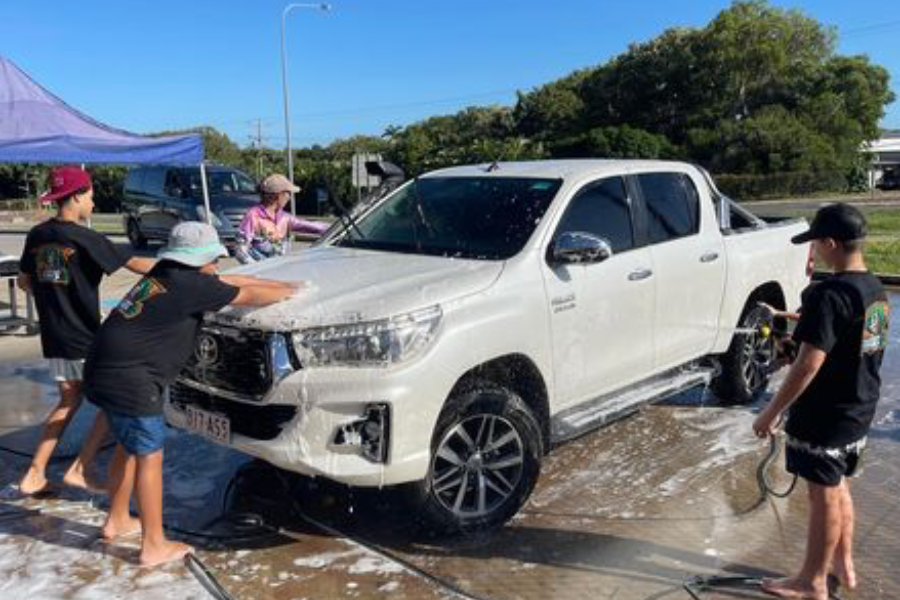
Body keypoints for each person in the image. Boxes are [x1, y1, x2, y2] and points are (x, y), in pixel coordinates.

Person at [83, 221, 301, 566]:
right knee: (149, 457)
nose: (217, 265)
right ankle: (153, 544)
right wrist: (290, 292)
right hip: (131, 380)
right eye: (214, 258)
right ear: (200, 259)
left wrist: (276, 281)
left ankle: (117, 518)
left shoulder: (164, 275)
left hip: (102, 369)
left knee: (127, 447)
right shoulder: (192, 286)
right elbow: (249, 294)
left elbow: (230, 281)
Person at [752, 203, 890, 600]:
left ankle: (811, 582)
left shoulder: (829, 295)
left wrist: (771, 411)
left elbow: (808, 363)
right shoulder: (874, 289)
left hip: (825, 415)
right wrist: (789, 317)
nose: (814, 251)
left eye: (816, 243)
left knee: (822, 494)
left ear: (830, 242)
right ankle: (844, 566)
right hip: (859, 408)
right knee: (839, 485)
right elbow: (861, 341)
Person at [16, 166, 155, 495]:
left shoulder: (37, 235)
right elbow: (137, 265)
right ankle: (81, 467)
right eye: (91, 196)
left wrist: (54, 299)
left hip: (53, 335)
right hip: (83, 337)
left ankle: (35, 473)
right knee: (117, 402)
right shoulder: (85, 237)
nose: (93, 203)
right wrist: (183, 269)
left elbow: (24, 281)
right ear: (77, 196)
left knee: (69, 401)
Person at [235, 173, 328, 263]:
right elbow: (240, 251)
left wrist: (333, 227)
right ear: (278, 195)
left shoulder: (285, 218)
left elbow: (311, 226)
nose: (289, 198)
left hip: (279, 269)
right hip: (259, 273)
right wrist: (255, 267)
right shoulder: (253, 216)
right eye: (288, 193)